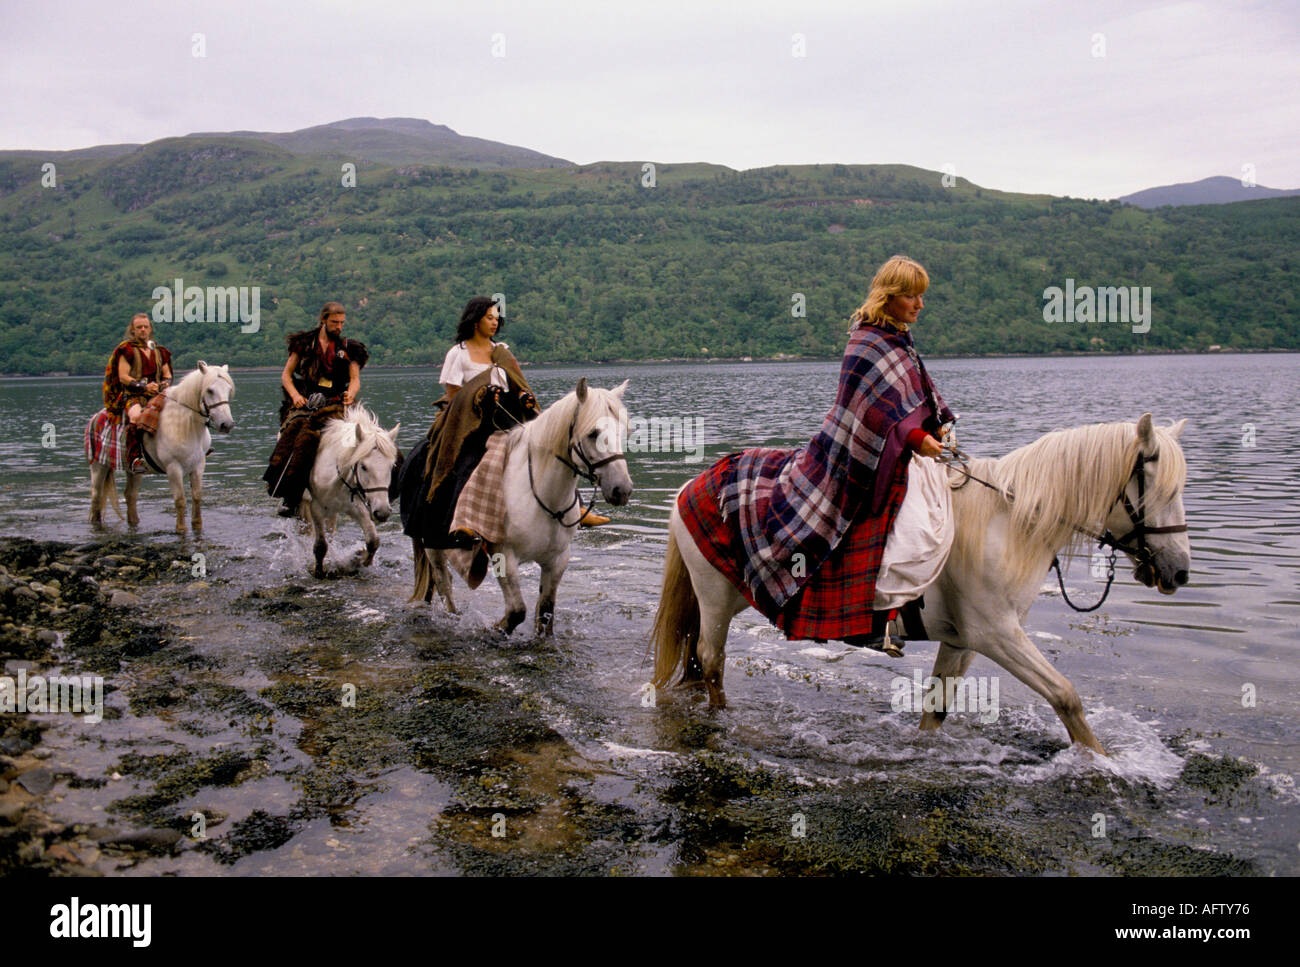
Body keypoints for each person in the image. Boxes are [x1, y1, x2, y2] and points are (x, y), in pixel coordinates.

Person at [679, 254, 954, 648]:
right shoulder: (866, 342)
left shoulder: (899, 341)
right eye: (912, 296)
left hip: (894, 457)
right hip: (849, 458)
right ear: (889, 296)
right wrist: (916, 439)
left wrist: (937, 426)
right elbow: (874, 415)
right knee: (883, 526)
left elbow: (914, 400)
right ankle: (871, 623)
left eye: (922, 296)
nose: (920, 305)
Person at [434, 297, 609, 526]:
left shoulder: (502, 351)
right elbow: (454, 395)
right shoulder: (458, 353)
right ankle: (465, 519)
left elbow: (516, 384)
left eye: (497, 319)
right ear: (475, 320)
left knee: (551, 448)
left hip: (506, 415)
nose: (495, 323)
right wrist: (479, 399)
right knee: (470, 460)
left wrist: (522, 397)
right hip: (471, 420)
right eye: (489, 318)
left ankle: (577, 507)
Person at [263, 301, 369, 517]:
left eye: (342, 323)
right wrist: (295, 396)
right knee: (297, 437)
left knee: (358, 438)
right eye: (334, 322)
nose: (339, 327)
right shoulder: (303, 344)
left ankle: (361, 490)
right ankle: (290, 494)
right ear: (323, 320)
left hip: (337, 402)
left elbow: (355, 379)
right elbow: (286, 375)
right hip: (306, 401)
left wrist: (352, 393)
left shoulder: (349, 348)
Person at [103, 313, 173, 473]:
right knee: (135, 416)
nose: (143, 330)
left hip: (158, 395)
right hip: (134, 396)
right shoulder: (126, 350)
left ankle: (194, 449)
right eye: (139, 327)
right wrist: (144, 387)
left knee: (182, 411)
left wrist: (163, 385)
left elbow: (167, 374)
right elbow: (123, 376)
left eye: (145, 327)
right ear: (132, 330)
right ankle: (135, 458)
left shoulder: (159, 351)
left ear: (150, 329)